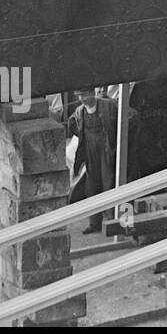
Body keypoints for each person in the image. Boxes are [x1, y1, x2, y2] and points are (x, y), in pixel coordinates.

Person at [66, 88, 119, 233]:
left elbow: (128, 116)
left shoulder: (109, 105)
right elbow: (71, 124)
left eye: (83, 95)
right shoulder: (79, 112)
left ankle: (111, 222)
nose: (81, 99)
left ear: (92, 93)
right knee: (91, 187)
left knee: (108, 183)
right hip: (90, 152)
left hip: (106, 151)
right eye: (78, 96)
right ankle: (94, 223)